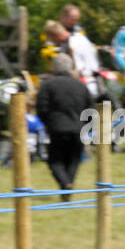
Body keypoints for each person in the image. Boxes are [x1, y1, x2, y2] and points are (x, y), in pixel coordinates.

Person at [35, 54, 92, 201]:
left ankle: (65, 183)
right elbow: (90, 110)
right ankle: (68, 185)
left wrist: (48, 123)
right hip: (78, 130)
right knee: (73, 160)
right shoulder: (81, 86)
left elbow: (41, 108)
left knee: (55, 160)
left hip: (57, 129)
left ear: (53, 68)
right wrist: (84, 126)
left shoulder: (48, 85)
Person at [44, 20, 101, 98]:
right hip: (96, 82)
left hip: (86, 88)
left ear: (57, 35)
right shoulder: (80, 36)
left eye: (53, 41)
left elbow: (78, 70)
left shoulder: (71, 45)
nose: (55, 44)